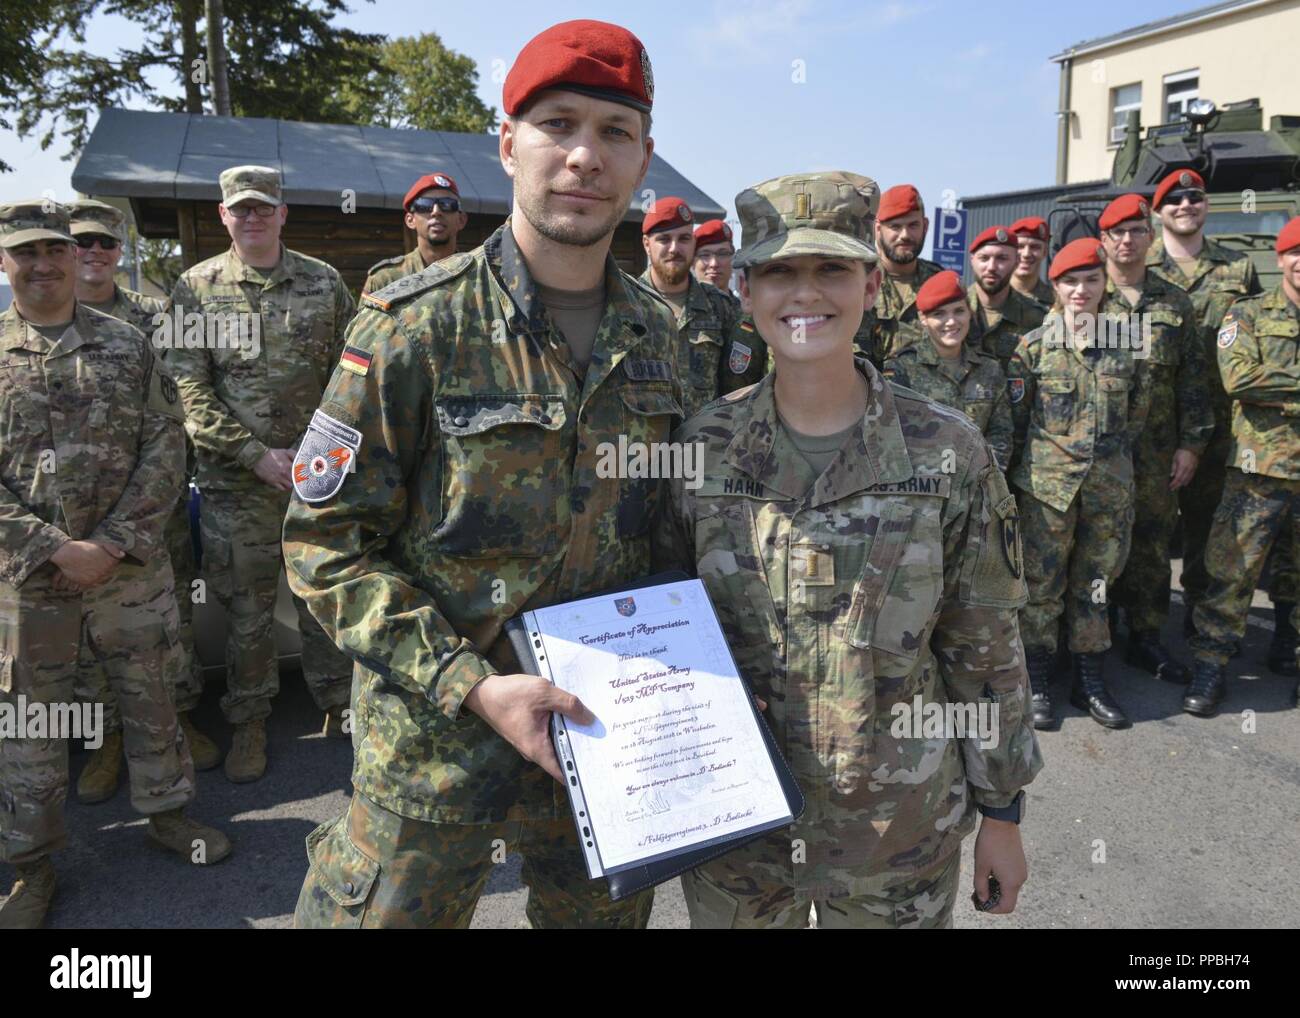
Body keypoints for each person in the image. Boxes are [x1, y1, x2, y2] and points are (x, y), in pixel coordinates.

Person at [284, 19, 680, 929]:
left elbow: (670, 531)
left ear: (643, 158)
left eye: (614, 132)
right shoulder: (410, 325)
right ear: (507, 145)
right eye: (559, 123)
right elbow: (324, 543)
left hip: (602, 745)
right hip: (435, 752)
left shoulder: (666, 337)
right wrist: (469, 682)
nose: (585, 155)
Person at [654, 170, 1041, 929]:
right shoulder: (700, 447)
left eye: (830, 268)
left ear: (870, 285)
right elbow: (665, 627)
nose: (805, 294)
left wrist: (1002, 814)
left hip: (895, 841)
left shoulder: (947, 451)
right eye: (779, 272)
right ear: (744, 290)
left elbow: (984, 646)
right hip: (741, 838)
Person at [0, 200, 232, 930]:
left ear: (76, 258)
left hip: (130, 572)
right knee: (29, 728)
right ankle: (31, 869)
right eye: (23, 253)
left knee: (154, 701)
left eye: (55, 251)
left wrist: (111, 543)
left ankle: (169, 819)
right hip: (26, 584)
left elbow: (168, 446)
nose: (42, 265)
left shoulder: (129, 345)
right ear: (4, 262)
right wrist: (51, 547)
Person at [166, 165, 355, 784]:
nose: (252, 218)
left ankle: (339, 704)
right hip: (237, 485)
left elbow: (350, 374)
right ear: (224, 216)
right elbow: (186, 387)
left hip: (316, 476)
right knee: (246, 608)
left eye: (263, 208)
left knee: (322, 593)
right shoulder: (194, 289)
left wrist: (318, 454)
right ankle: (248, 719)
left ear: (282, 213)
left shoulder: (323, 282)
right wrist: (255, 454)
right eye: (239, 209)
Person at [65, 200, 219, 802]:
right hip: (75, 518)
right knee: (89, 636)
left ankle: (175, 722)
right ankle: (107, 742)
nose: (94, 254)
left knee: (169, 618)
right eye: (81, 244)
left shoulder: (154, 318)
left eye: (105, 244)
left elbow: (180, 403)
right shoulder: (47, 321)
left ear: (119, 252)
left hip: (153, 508)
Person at [1145, 168, 1295, 666]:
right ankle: (1140, 629)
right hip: (1156, 422)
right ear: (1158, 211)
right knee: (1149, 529)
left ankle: (1200, 622)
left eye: (1195, 197)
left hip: (1229, 424)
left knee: (1215, 532)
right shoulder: (1136, 265)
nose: (1186, 205)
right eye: (1174, 199)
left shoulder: (1238, 266)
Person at [1006, 238, 1152, 730]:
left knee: (1094, 588)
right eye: (1070, 281)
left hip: (1107, 491)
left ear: (1104, 283)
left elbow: (1138, 415)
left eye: (1091, 280)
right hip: (1048, 492)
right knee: (1041, 589)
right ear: (1056, 286)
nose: (1081, 290)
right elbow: (1018, 421)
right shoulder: (1032, 347)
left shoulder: (1128, 343)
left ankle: (1090, 683)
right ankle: (1040, 682)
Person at [1097, 194, 1213, 685]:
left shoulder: (1173, 302)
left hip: (1156, 451)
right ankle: (1089, 636)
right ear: (1103, 240)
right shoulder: (1082, 295)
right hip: (1097, 453)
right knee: (1096, 546)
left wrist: (1192, 444)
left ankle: (1145, 635)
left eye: (1136, 230)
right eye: (1117, 232)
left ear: (1150, 236)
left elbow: (1194, 379)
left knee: (1150, 545)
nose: (1127, 240)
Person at [1187, 217, 1300, 714]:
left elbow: (1264, 381)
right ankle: (1211, 666)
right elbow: (1240, 379)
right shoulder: (1248, 312)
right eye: (1296, 252)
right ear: (1281, 260)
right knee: (1232, 573)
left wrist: (1283, 392)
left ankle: (1287, 649)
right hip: (1259, 471)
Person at [640, 197, 765, 417]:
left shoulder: (721, 306)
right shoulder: (625, 302)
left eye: (684, 239)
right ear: (646, 244)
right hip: (642, 447)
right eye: (664, 239)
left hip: (704, 445)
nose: (674, 248)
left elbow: (739, 382)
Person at [883, 269, 1013, 472]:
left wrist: (982, 479)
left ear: (969, 312)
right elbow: (892, 437)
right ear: (923, 319)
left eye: (959, 311)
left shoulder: (990, 370)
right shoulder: (901, 369)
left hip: (977, 490)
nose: (951, 322)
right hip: (921, 488)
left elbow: (1000, 434)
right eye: (939, 314)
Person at [854, 183, 941, 366]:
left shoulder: (940, 283)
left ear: (925, 226)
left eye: (913, 225)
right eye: (895, 226)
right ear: (877, 230)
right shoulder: (857, 280)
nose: (905, 235)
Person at [362, 172, 468, 295]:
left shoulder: (479, 278)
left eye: (447, 204)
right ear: (410, 220)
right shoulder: (385, 279)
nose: (436, 212)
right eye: (425, 204)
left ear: (461, 220)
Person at [968, 226, 1047, 373]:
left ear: (1016, 261)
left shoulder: (1038, 319)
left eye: (1002, 258)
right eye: (984, 258)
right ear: (972, 260)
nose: (991, 267)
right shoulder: (951, 311)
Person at [1009, 217, 1055, 306]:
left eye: (1034, 247)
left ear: (1044, 252)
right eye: (1020, 246)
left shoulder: (1058, 302)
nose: (1026, 254)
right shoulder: (992, 296)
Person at [691, 218, 736, 294]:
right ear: (692, 262)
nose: (714, 264)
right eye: (705, 255)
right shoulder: (676, 305)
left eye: (722, 254)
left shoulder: (745, 305)